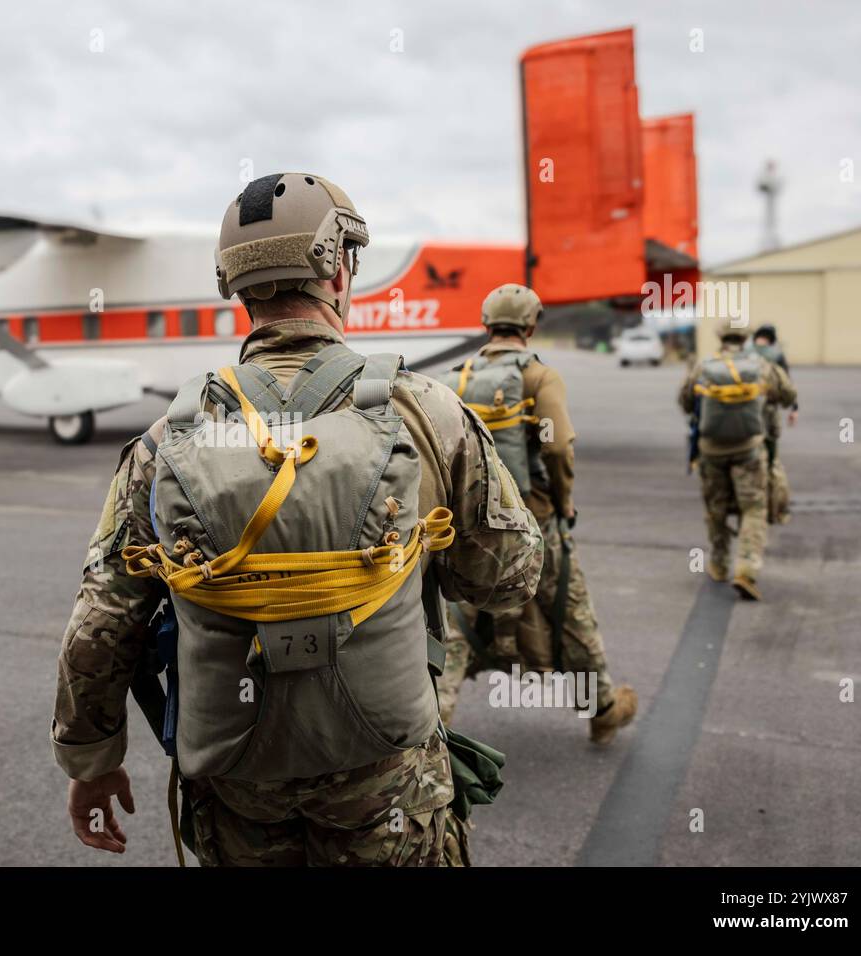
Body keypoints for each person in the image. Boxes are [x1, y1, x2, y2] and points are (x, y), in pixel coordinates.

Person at [51, 173, 543, 867]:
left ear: (236, 284)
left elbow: (102, 621)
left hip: (236, 784)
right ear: (339, 268)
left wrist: (90, 759)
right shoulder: (427, 411)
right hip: (388, 781)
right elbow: (508, 579)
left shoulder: (168, 437)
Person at [434, 284, 638, 745]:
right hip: (532, 522)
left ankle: (432, 725)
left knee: (457, 625)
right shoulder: (539, 376)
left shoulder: (451, 379)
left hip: (467, 524)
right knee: (569, 607)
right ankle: (603, 707)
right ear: (531, 325)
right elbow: (559, 447)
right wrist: (563, 498)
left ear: (486, 324)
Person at [679, 317, 797, 600]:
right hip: (749, 450)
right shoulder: (762, 366)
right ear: (745, 339)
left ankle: (719, 564)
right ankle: (746, 569)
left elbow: (685, 402)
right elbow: (788, 395)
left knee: (716, 506)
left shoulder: (704, 366)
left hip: (711, 450)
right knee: (753, 507)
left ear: (721, 339)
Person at [749, 324, 797, 524]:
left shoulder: (743, 354)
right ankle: (775, 510)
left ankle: (749, 505)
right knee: (771, 463)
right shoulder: (776, 355)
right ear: (772, 339)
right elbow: (787, 386)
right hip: (767, 418)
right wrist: (794, 408)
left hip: (745, 418)